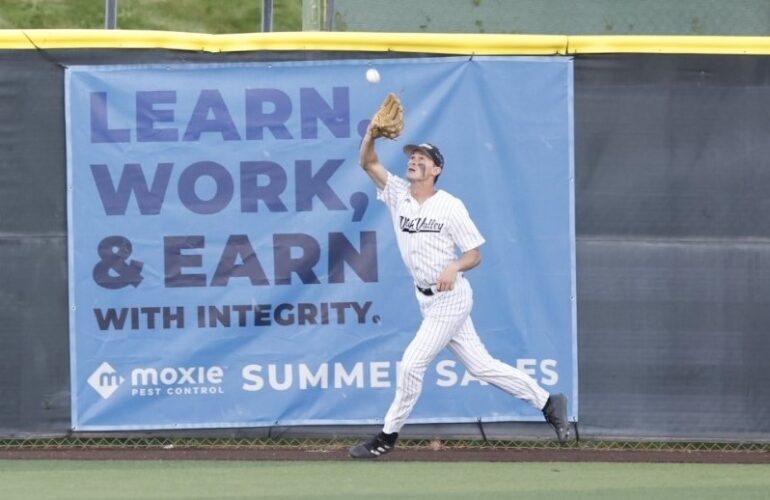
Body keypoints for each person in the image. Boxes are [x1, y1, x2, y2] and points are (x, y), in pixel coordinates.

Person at [348, 122, 570, 459]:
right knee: (481, 366)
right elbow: (368, 162)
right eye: (411, 156)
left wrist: (454, 266)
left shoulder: (450, 206)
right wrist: (371, 136)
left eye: (422, 158)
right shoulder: (398, 194)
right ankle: (547, 401)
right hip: (426, 297)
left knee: (411, 365)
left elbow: (474, 254)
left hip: (451, 300)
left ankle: (386, 437)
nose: (413, 161)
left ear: (436, 170)